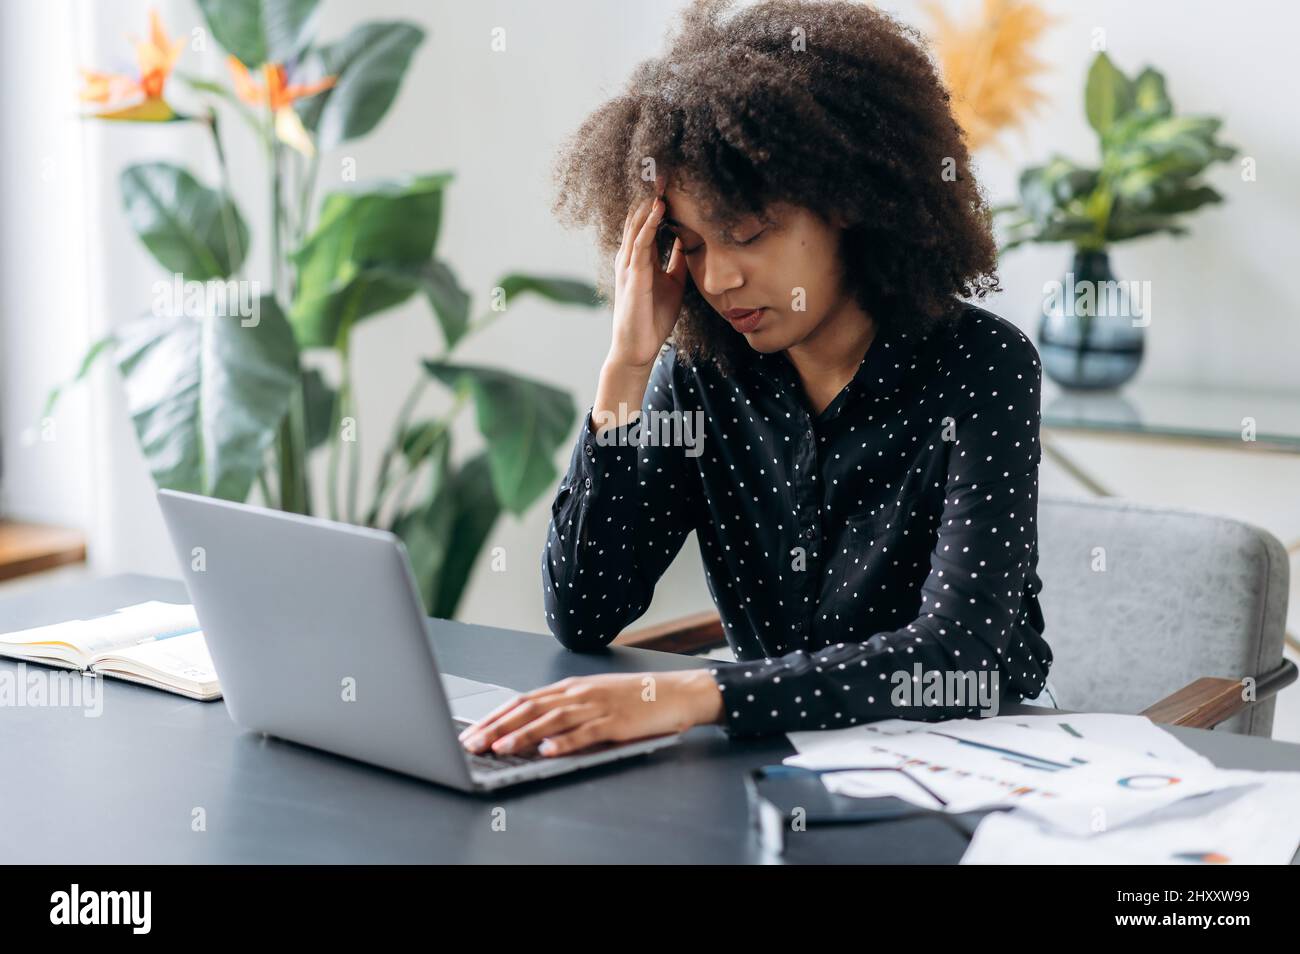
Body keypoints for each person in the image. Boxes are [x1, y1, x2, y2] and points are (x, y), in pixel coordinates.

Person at [460, 0, 1054, 761]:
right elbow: (583, 611)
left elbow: (955, 658)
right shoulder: (704, 375)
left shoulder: (982, 365)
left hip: (984, 757)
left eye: (745, 234)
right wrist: (627, 367)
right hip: (775, 751)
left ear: (848, 199)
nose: (721, 278)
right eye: (691, 245)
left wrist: (699, 694)